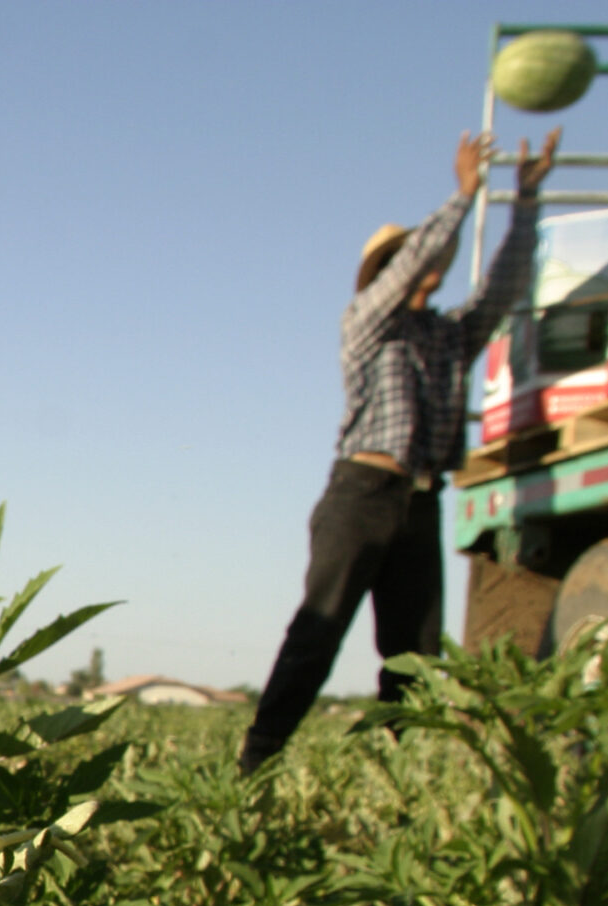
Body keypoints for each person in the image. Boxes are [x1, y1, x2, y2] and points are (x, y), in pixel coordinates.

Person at [238, 129, 559, 774]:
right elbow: (415, 260)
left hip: (419, 502)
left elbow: (501, 289)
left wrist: (525, 202)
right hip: (360, 495)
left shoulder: (448, 335)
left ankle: (396, 769)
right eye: (405, 255)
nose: (423, 259)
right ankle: (258, 758)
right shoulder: (366, 320)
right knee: (319, 630)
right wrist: (463, 197)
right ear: (387, 270)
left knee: (414, 652)